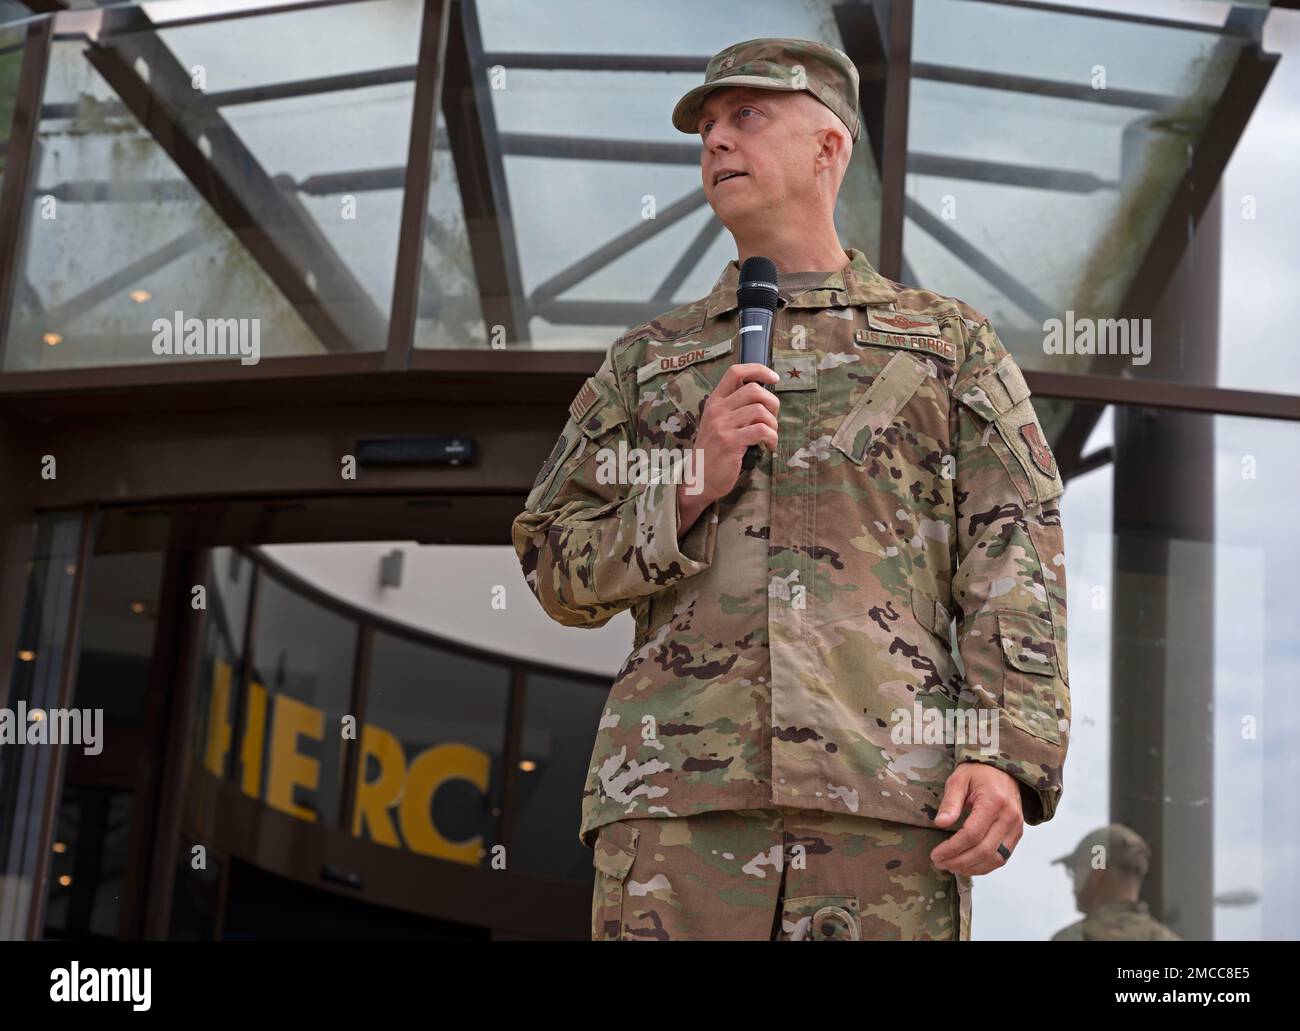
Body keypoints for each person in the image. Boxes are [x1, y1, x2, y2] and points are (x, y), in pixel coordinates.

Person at [511, 37, 1071, 940]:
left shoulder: (946, 347)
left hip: (886, 809)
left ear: (829, 148)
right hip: (678, 814)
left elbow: (1017, 560)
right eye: (706, 130)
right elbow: (550, 558)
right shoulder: (649, 364)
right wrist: (684, 486)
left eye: (747, 117)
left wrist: (1006, 756)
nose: (716, 143)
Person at [1050, 824, 1182, 941]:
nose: (1073, 881)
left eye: (1075, 869)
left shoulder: (1073, 937)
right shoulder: (1166, 938)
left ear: (1097, 871)